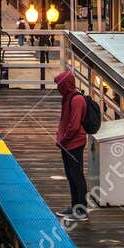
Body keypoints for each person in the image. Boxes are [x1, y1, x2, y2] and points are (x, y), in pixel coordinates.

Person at [54, 69, 89, 215]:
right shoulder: (67, 98)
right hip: (66, 143)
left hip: (74, 143)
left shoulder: (76, 100)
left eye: (60, 85)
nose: (58, 88)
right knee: (71, 175)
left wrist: (63, 138)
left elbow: (74, 125)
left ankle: (81, 208)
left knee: (77, 176)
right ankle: (75, 205)